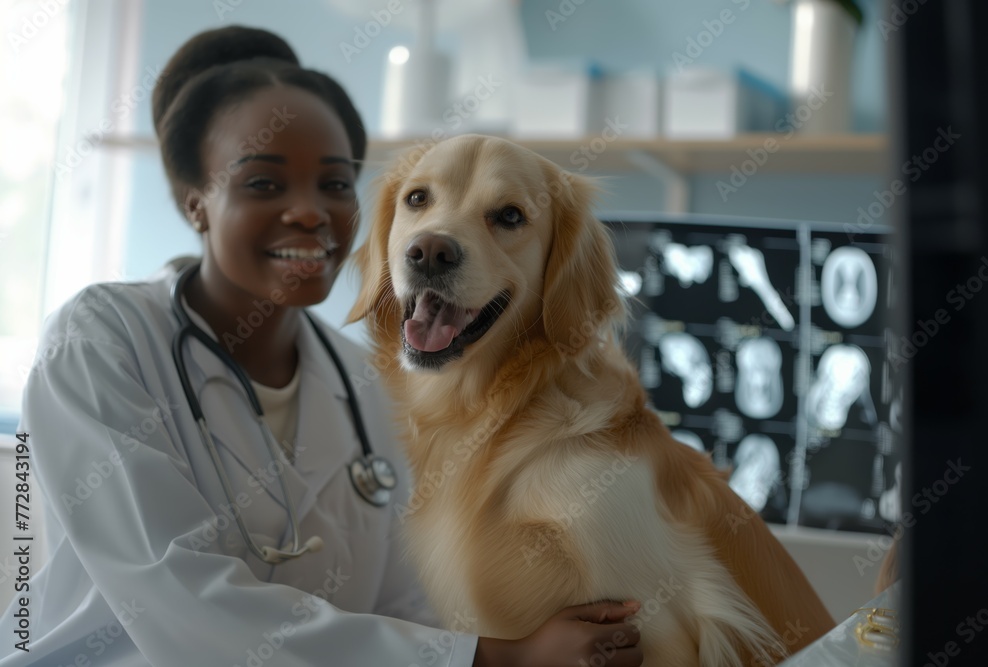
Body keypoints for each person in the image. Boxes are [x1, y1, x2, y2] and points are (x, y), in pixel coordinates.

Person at [0, 26, 643, 666]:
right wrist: (500, 658)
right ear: (196, 203)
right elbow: (178, 594)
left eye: (334, 185)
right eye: (264, 183)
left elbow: (409, 606)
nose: (310, 212)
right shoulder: (99, 341)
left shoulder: (369, 380)